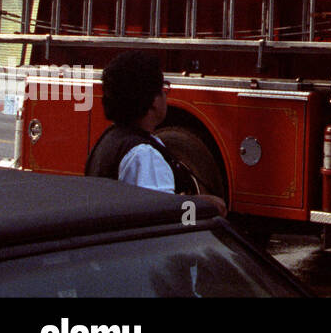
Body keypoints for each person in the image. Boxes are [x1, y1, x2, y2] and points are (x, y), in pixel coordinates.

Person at [84, 50, 227, 216]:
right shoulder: (144, 155)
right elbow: (162, 217)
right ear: (152, 101)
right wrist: (204, 206)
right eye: (163, 90)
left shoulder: (110, 139)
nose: (166, 96)